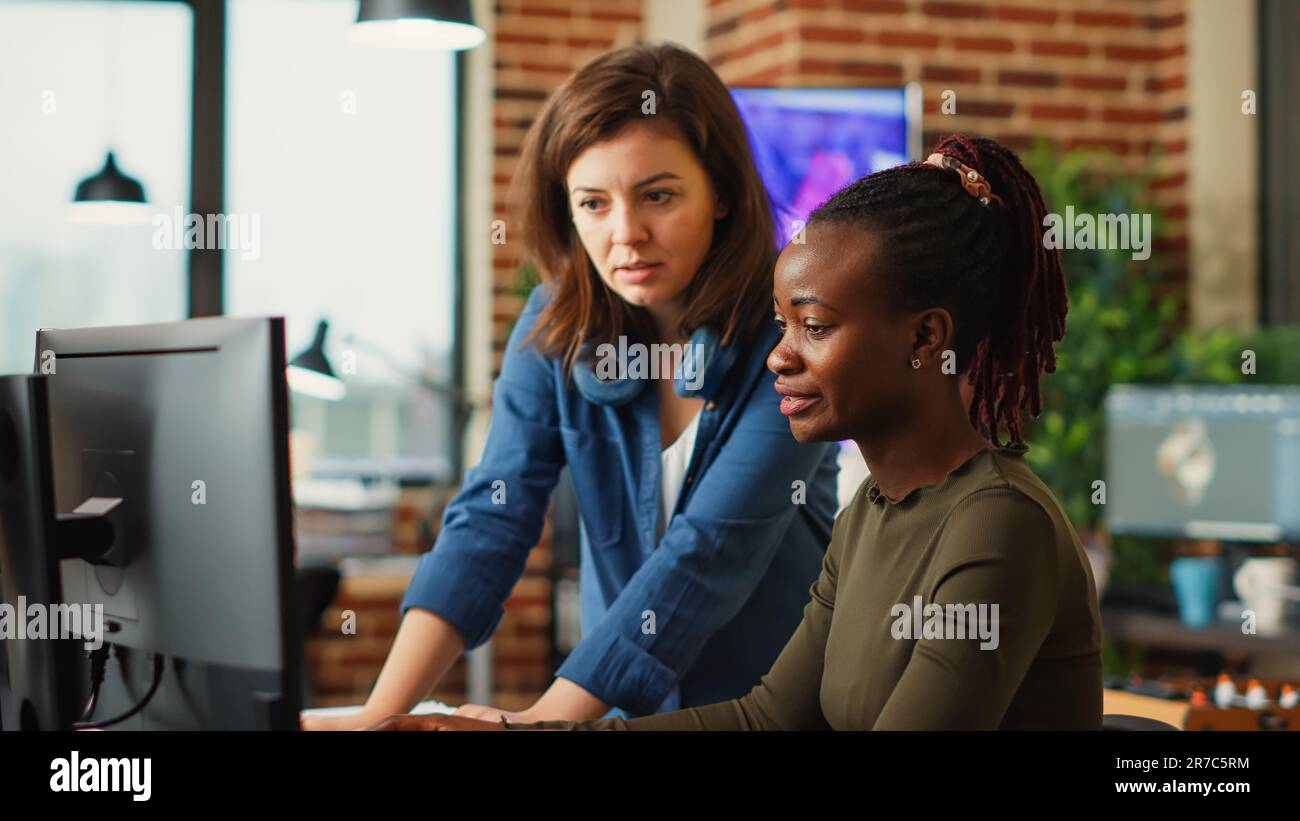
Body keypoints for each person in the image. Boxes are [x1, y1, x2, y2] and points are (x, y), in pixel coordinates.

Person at [370, 134, 1104, 732]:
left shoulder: (996, 525)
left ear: (924, 338)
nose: (779, 356)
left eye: (815, 326)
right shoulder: (869, 514)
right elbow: (766, 717)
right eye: (782, 324)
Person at [301, 43, 839, 730]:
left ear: (723, 194)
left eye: (658, 195)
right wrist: (379, 717)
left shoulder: (794, 333)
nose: (626, 234)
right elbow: (490, 518)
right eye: (594, 203)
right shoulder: (555, 324)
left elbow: (708, 551)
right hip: (610, 717)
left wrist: (541, 722)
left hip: (767, 715)